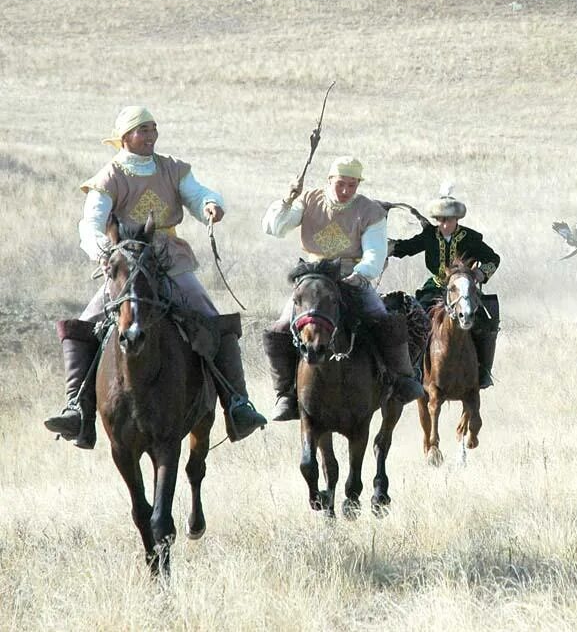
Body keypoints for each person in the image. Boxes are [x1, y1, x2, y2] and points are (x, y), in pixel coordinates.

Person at [44, 106, 268, 449]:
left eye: (153, 129)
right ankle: (77, 409)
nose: (150, 136)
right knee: (83, 326)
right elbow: (91, 223)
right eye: (142, 130)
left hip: (169, 258)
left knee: (211, 317)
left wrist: (210, 204)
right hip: (126, 263)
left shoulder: (171, 168)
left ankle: (237, 404)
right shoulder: (108, 177)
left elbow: (197, 194)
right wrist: (104, 252)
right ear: (125, 137)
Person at [261, 157, 424, 420]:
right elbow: (274, 228)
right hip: (313, 276)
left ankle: (402, 381)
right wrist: (287, 199)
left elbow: (375, 252)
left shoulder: (370, 211)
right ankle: (285, 394)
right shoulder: (309, 199)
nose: (346, 190)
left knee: (383, 319)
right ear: (329, 180)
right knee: (279, 328)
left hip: (352, 275)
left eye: (352, 185)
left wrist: (361, 275)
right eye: (341, 184)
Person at [388, 185, 501, 389]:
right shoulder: (430, 236)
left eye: (448, 219)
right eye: (440, 219)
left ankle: (483, 371)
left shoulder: (471, 238)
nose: (444, 223)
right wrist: (389, 247)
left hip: (465, 289)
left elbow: (493, 258)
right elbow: (408, 247)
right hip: (436, 286)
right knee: (415, 320)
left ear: (457, 219)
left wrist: (480, 273)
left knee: (486, 321)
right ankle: (415, 370)